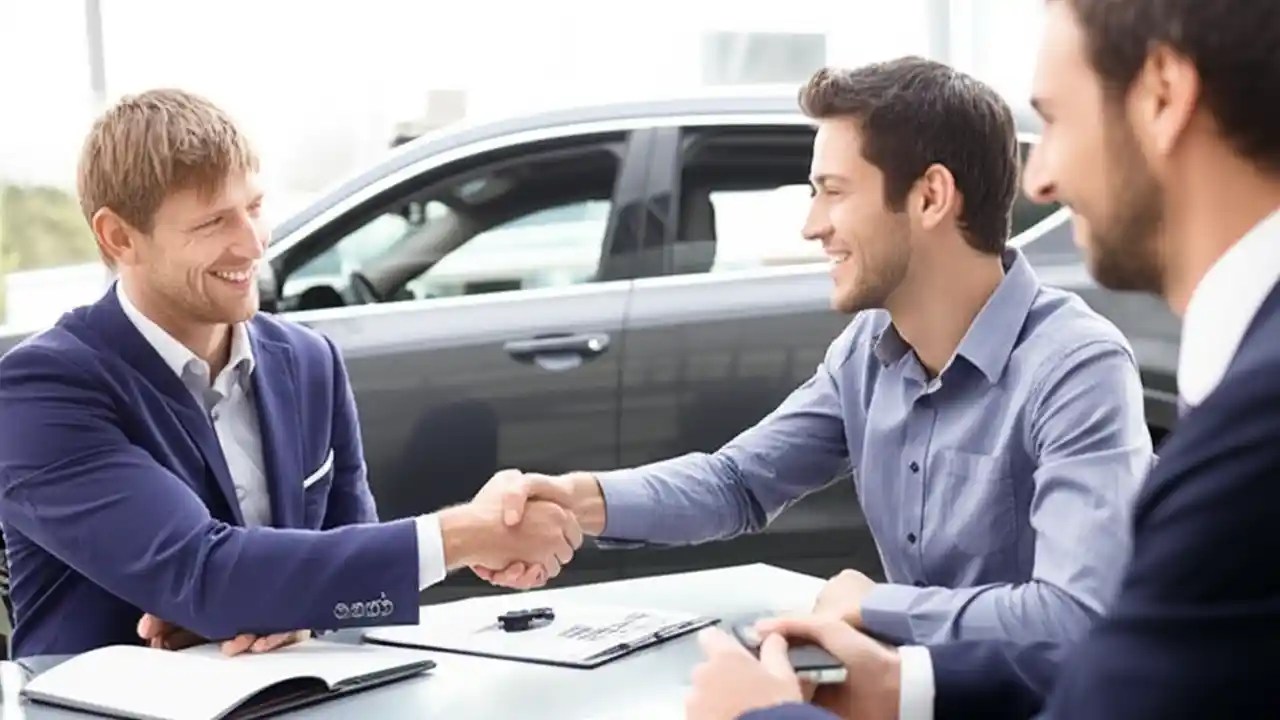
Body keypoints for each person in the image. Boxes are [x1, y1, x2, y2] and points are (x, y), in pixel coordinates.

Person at [684, 0, 1280, 717]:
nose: (1039, 182)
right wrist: (901, 687)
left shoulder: (1251, 421)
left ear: (1162, 95)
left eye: (1054, 120)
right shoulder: (1241, 389)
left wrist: (762, 714)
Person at [479, 57, 1153, 655]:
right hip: (915, 695)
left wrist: (871, 606)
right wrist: (578, 499)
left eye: (833, 191)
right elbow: (738, 484)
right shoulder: (866, 352)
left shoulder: (1076, 368)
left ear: (930, 197)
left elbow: (1074, 615)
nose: (811, 225)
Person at [0, 89, 582, 659]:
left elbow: (349, 576)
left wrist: (290, 607)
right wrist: (467, 534)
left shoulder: (309, 362)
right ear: (119, 237)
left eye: (254, 207)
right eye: (213, 223)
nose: (253, 244)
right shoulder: (42, 391)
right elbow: (202, 574)